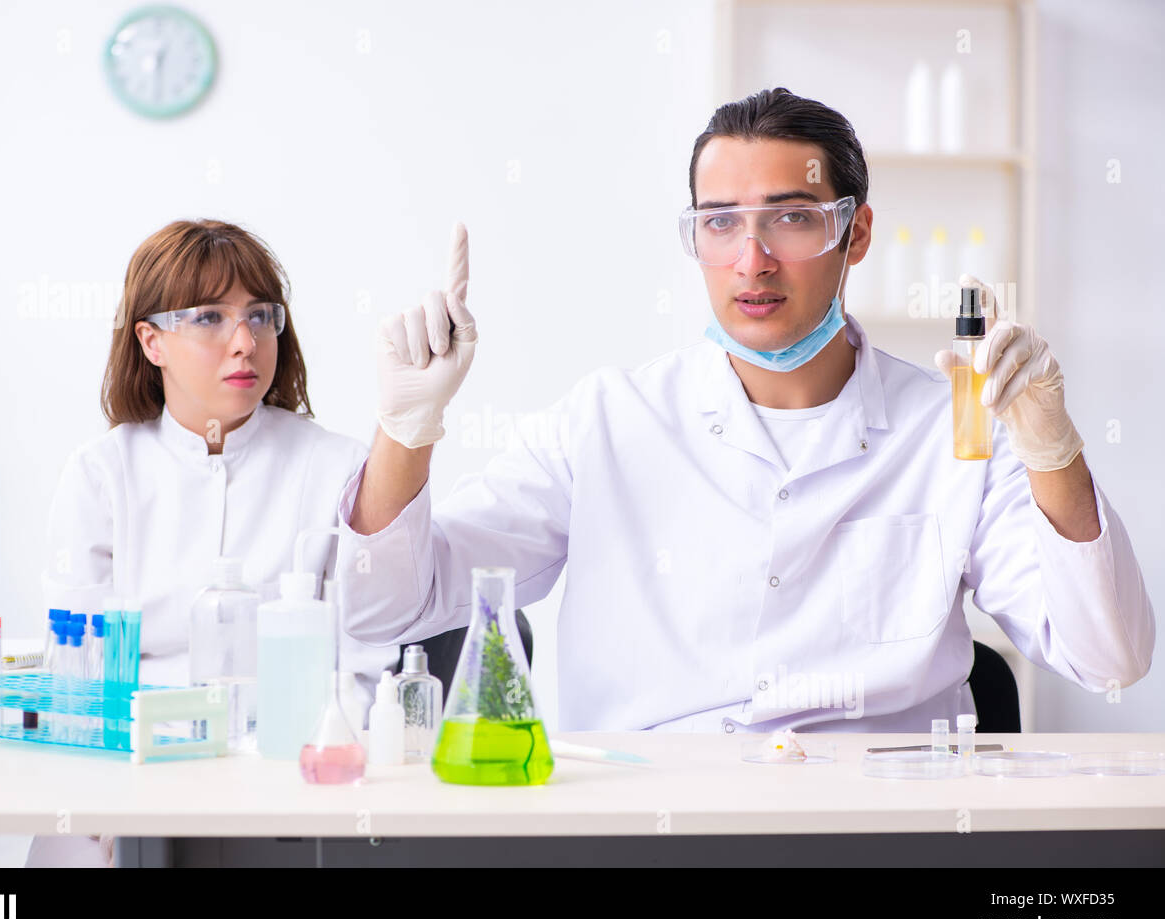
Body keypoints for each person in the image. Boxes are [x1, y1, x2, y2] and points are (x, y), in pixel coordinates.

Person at [334, 88, 1154, 734]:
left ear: (855, 232)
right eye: (720, 223)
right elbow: (388, 610)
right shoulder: (605, 423)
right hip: (652, 828)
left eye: (791, 219)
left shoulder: (958, 429)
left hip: (878, 830)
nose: (751, 260)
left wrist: (1052, 453)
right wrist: (406, 432)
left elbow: (1109, 656)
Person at [29, 220, 397, 866]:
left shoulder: (339, 470)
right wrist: (117, 798)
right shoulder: (101, 475)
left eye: (260, 315)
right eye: (209, 317)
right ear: (151, 341)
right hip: (125, 782)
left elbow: (365, 664)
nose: (244, 341)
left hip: (293, 783)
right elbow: (77, 677)